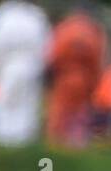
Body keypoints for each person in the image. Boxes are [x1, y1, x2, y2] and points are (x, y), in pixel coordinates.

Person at [0, 0, 50, 146]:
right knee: (23, 104)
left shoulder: (3, 14)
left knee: (7, 103)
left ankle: (5, 138)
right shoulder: (35, 16)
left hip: (8, 65)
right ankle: (19, 138)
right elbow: (46, 48)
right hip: (27, 66)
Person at [45, 6, 106, 148]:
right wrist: (93, 84)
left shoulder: (64, 29)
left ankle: (56, 148)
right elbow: (97, 62)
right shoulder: (92, 32)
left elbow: (54, 57)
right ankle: (77, 147)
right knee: (80, 117)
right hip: (84, 80)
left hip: (64, 79)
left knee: (60, 115)